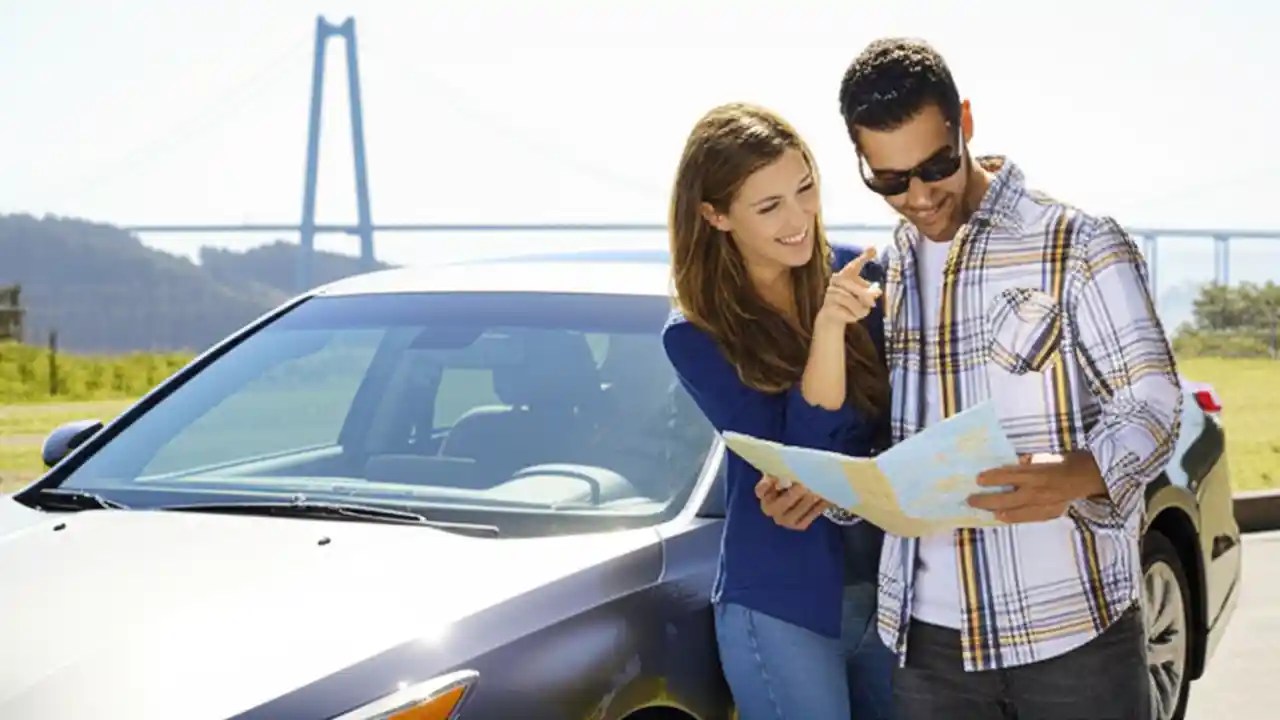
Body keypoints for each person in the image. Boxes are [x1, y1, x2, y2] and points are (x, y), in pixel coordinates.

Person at [763, 36, 1181, 719]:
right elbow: (900, 455)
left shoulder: (1076, 243)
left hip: (1072, 634)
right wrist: (828, 490)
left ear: (965, 122)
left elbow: (1153, 400)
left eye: (935, 166)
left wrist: (1080, 472)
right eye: (891, 180)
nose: (920, 197)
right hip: (928, 653)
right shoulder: (889, 271)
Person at [662, 102, 896, 719]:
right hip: (780, 600)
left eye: (806, 190)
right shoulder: (694, 335)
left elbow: (910, 418)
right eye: (769, 207)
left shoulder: (864, 275)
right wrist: (827, 333)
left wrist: (845, 481)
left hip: (896, 587)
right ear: (715, 215)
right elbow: (793, 459)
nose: (799, 220)